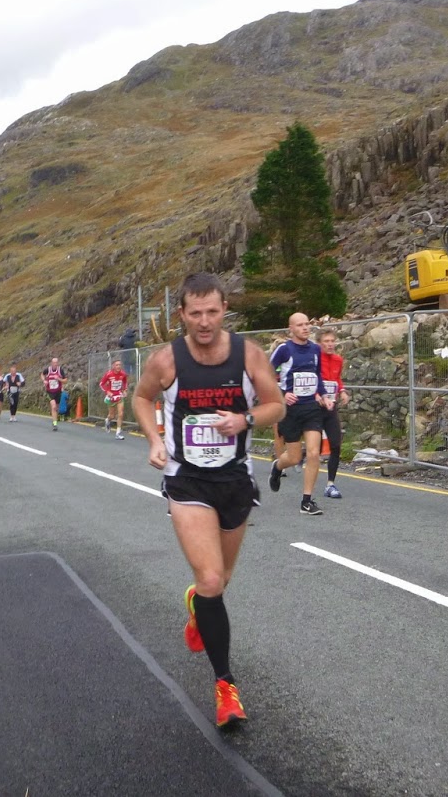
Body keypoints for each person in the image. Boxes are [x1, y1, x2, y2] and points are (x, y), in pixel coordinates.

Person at [131, 272, 285, 730]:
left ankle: (199, 603)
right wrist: (155, 440)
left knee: (222, 579)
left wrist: (246, 419)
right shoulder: (167, 359)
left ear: (224, 311)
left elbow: (276, 405)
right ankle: (225, 687)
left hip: (235, 479)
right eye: (194, 313)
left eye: (212, 312)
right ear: (182, 315)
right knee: (213, 578)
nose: (204, 322)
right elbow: (141, 398)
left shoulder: (248, 355)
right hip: (188, 481)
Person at [268, 313, 331, 516]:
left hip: (311, 408)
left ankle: (307, 501)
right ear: (291, 329)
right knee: (294, 457)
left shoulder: (315, 349)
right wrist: (283, 394)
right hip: (291, 411)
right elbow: (265, 374)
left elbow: (317, 375)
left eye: (307, 324)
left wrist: (324, 395)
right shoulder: (284, 349)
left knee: (313, 453)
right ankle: (277, 467)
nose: (305, 328)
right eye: (300, 325)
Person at [317, 328, 351, 500]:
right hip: (314, 408)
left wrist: (343, 391)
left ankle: (330, 484)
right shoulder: (315, 359)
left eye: (332, 341)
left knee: (336, 444)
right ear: (319, 344)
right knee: (312, 448)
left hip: (331, 408)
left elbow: (337, 379)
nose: (330, 344)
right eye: (326, 341)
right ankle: (284, 462)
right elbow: (311, 379)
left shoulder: (338, 360)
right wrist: (317, 395)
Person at [99, 358, 130, 439]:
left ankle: (118, 433)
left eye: (120, 365)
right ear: (113, 366)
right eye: (117, 365)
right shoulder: (108, 374)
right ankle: (108, 420)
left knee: (120, 414)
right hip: (111, 397)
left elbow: (125, 382)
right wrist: (107, 392)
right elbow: (101, 384)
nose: (118, 366)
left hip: (119, 395)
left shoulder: (123, 374)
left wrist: (125, 390)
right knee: (112, 415)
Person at [43, 357, 67, 430]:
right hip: (50, 391)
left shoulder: (60, 370)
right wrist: (44, 380)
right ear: (51, 363)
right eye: (54, 363)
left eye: (56, 363)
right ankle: (55, 424)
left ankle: (54, 421)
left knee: (56, 408)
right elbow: (42, 374)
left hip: (58, 391)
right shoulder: (48, 369)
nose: (55, 364)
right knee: (53, 406)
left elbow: (65, 380)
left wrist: (59, 379)